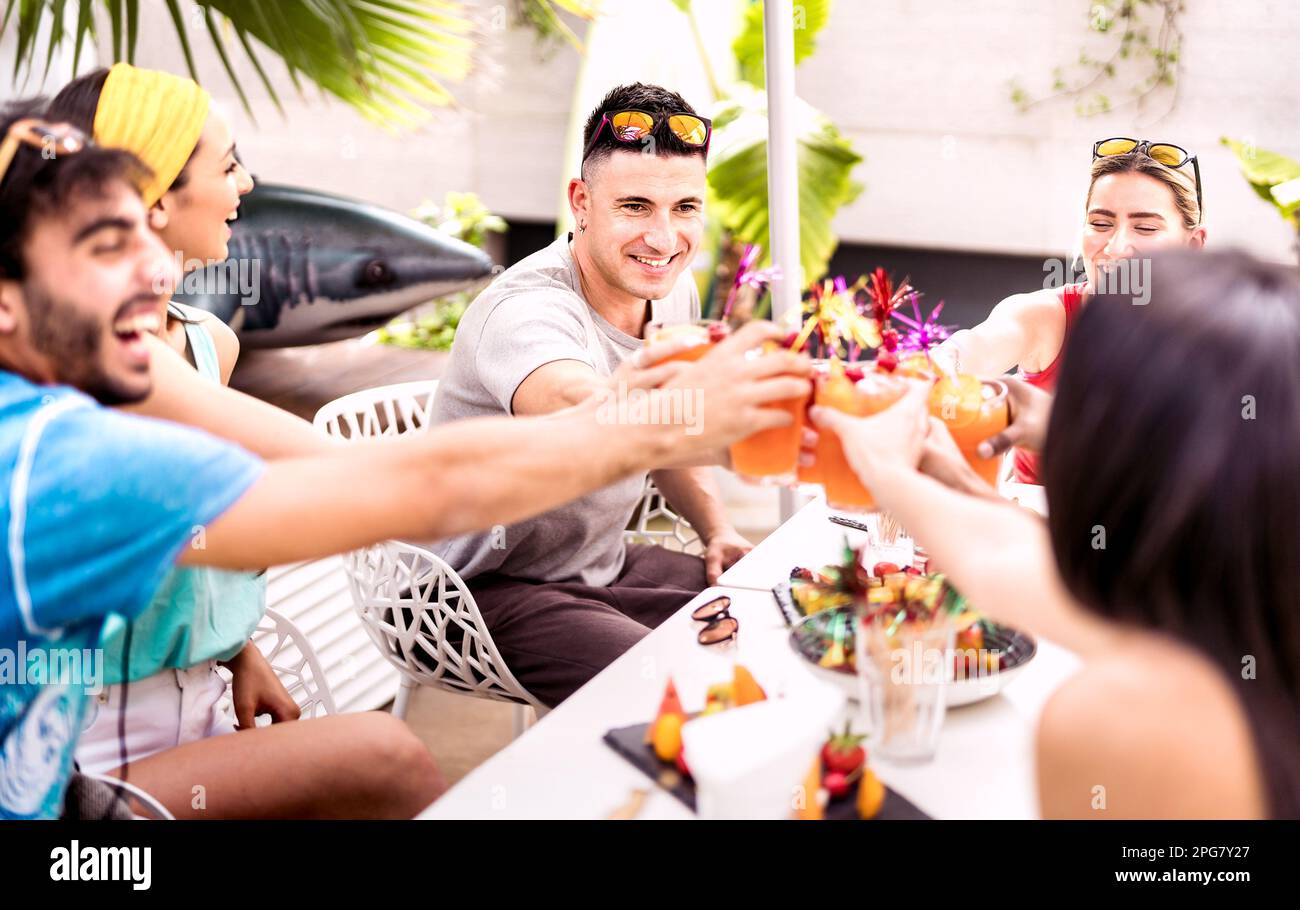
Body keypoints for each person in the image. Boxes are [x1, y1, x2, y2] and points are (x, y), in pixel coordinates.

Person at [0, 111, 811, 818]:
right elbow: (422, 483)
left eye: (148, 233)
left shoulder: (72, 419)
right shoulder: (57, 457)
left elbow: (311, 504)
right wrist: (658, 420)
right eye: (109, 246)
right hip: (83, 794)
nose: (156, 270)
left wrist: (232, 647)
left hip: (125, 745)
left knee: (389, 756)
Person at [812, 248, 1300, 818]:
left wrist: (887, 470)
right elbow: (1015, 562)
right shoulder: (1236, 611)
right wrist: (922, 479)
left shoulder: (1118, 722)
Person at [429, 82, 753, 708]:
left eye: (685, 207)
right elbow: (580, 407)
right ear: (581, 202)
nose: (663, 240)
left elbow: (659, 441)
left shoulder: (668, 291)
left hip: (602, 566)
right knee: (675, 689)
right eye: (635, 205)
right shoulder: (526, 308)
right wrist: (733, 415)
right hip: (477, 590)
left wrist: (717, 528)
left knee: (775, 610)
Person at [39, 63, 300, 776]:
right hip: (80, 727)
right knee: (386, 765)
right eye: (229, 164)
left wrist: (236, 647)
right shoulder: (65, 366)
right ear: (151, 201)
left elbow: (192, 542)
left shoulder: (210, 345)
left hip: (206, 704)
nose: (244, 184)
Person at [938, 138, 1206, 483]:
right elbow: (972, 349)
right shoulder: (1047, 316)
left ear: (1193, 245)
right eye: (1101, 223)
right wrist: (941, 365)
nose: (1115, 247)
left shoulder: (1217, 343)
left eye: (1145, 227)